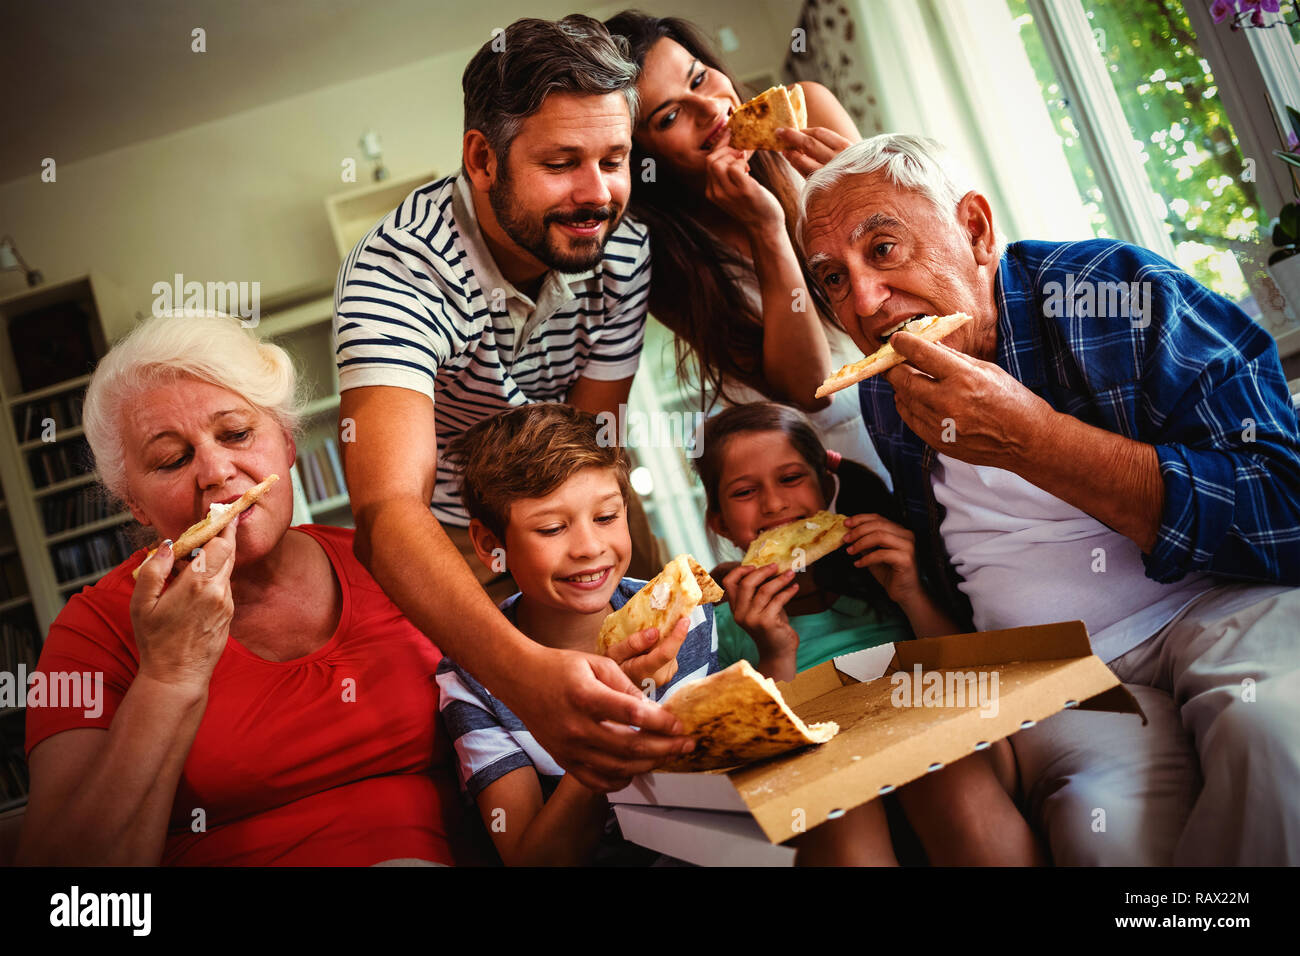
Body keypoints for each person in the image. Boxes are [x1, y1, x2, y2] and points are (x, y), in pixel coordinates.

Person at [798, 132, 1300, 865]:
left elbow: (1285, 505)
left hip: (1221, 602)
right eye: (833, 280)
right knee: (1100, 826)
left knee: (1275, 736)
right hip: (1055, 672)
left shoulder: (1115, 290)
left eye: (884, 250)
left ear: (974, 229)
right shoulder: (885, 393)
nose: (866, 303)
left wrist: (1036, 439)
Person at [333, 16, 694, 795]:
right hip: (457, 569)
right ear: (481, 157)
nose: (597, 194)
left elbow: (596, 445)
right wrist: (527, 676)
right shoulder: (396, 275)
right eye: (561, 163)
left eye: (615, 160)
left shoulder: (620, 245)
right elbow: (387, 511)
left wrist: (632, 580)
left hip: (572, 541)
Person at [17, 313, 466, 866]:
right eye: (171, 459)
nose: (215, 470)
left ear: (287, 441)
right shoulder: (92, 632)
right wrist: (168, 676)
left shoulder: (391, 562)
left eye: (236, 433)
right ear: (133, 501)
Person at [693, 401, 1043, 866]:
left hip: (950, 752)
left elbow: (971, 679)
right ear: (719, 522)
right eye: (744, 491)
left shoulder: (879, 572)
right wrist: (775, 650)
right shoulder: (718, 624)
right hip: (820, 780)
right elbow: (761, 759)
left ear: (825, 486)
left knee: (929, 759)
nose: (775, 503)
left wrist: (911, 595)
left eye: (791, 478)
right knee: (835, 800)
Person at [604, 12, 885, 478]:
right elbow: (811, 387)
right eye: (670, 116)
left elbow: (911, 263)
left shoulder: (807, 109)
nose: (710, 109)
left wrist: (858, 196)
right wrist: (767, 229)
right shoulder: (662, 262)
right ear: (641, 157)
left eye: (699, 78)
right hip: (845, 467)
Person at [436, 403, 717, 865]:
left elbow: (718, 783)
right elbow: (531, 858)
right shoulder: (471, 682)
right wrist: (608, 724)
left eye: (606, 517)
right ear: (491, 546)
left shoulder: (686, 615)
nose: (589, 548)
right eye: (551, 528)